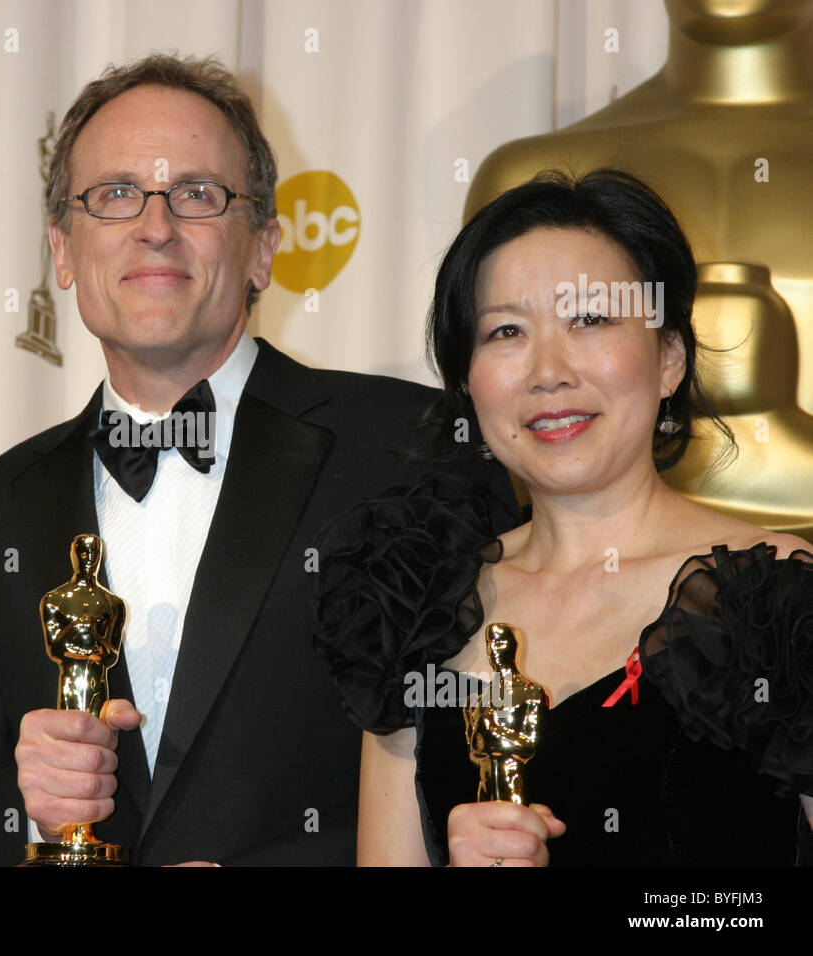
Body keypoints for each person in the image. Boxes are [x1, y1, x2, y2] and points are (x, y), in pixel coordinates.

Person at [0, 53, 514, 866]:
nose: (154, 226)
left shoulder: (411, 448)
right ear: (62, 250)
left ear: (264, 246)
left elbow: (485, 768)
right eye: (115, 194)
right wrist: (29, 810)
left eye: (197, 194)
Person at [314, 169, 813, 866]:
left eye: (590, 319)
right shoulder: (413, 607)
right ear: (467, 381)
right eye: (507, 331)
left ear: (668, 357)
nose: (548, 370)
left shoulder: (782, 603)